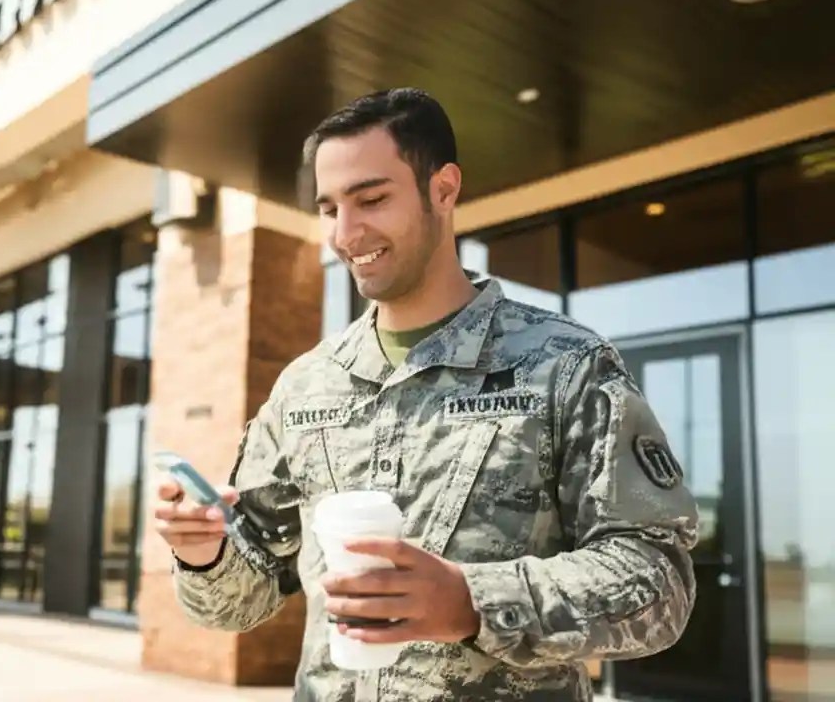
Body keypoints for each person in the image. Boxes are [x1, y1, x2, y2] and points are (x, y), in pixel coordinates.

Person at [153, 88, 699, 701]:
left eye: (372, 199)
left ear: (443, 189)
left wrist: (471, 602)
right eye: (329, 208)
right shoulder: (306, 384)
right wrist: (204, 554)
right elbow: (243, 600)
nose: (346, 232)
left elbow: (658, 580)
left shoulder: (565, 364)